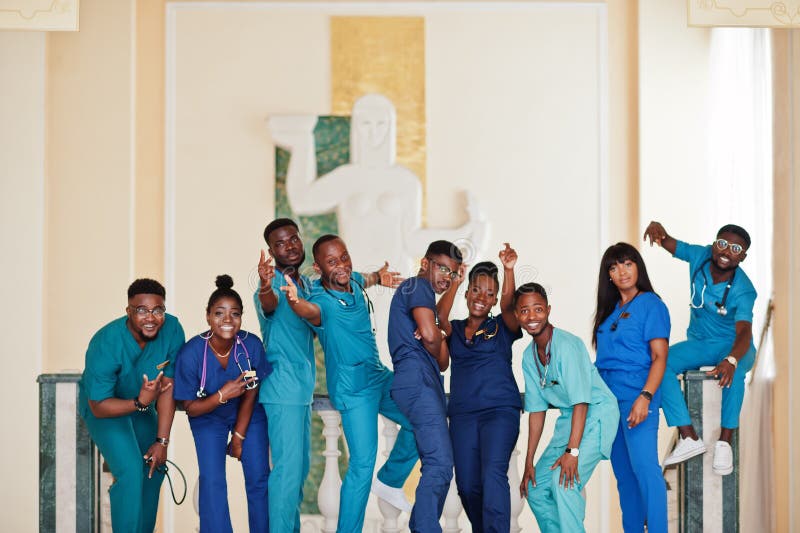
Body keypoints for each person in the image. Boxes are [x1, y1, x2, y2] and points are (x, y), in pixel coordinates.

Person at [280, 234, 418, 532]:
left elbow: (361, 278)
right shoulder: (319, 302)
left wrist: (378, 277)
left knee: (423, 420)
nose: (341, 265)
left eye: (344, 257)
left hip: (378, 375)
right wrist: (294, 302)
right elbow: (309, 311)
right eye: (332, 262)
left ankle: (391, 479)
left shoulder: (351, 280)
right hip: (353, 390)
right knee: (361, 465)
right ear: (318, 268)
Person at [643, 221, 757, 475]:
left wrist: (732, 360)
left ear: (743, 256)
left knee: (734, 374)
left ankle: (725, 441)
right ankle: (688, 436)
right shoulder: (700, 256)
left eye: (736, 248)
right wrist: (659, 232)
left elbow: (744, 332)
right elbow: (670, 243)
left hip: (736, 347)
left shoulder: (744, 289)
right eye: (723, 244)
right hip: (700, 343)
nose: (727, 252)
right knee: (661, 363)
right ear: (715, 243)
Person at [78, 279, 185, 532]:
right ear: (129, 311)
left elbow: (168, 388)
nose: (151, 317)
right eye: (141, 310)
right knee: (130, 472)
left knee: (153, 467)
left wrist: (162, 442)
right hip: (106, 410)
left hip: (143, 406)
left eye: (158, 310)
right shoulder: (106, 342)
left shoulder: (172, 329)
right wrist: (139, 401)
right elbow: (98, 406)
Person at [516, 282, 619, 533]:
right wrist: (529, 461)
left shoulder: (568, 346)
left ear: (548, 310)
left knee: (564, 483)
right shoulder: (529, 356)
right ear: (517, 315)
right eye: (525, 311)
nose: (532, 316)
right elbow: (537, 411)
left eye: (538, 309)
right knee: (535, 487)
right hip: (570, 420)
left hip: (596, 415)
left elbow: (581, 401)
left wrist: (572, 452)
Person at [174, 275, 271, 533]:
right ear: (207, 316)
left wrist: (238, 436)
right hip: (208, 417)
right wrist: (221, 395)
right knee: (213, 481)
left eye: (235, 314)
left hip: (248, 415)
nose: (227, 320)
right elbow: (190, 407)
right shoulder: (192, 353)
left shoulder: (251, 345)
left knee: (259, 478)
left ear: (241, 317)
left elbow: (251, 390)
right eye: (219, 313)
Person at [436, 245, 522, 533]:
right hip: (463, 416)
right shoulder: (456, 330)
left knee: (493, 476)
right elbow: (438, 319)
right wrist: (456, 280)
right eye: (476, 290)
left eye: (489, 293)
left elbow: (511, 307)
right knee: (467, 484)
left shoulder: (502, 326)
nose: (481, 297)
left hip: (499, 412)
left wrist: (509, 270)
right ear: (467, 292)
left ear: (495, 299)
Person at [592, 243, 670, 533]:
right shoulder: (610, 310)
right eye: (613, 267)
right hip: (609, 400)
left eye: (626, 263)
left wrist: (645, 397)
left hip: (638, 394)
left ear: (638, 266)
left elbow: (660, 357)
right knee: (624, 476)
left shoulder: (651, 304)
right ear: (608, 275)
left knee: (646, 470)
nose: (621, 271)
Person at [388, 239, 463, 533]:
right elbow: (434, 341)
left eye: (453, 273)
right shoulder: (417, 286)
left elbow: (439, 347)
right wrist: (435, 334)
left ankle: (423, 526)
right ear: (424, 263)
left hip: (422, 380)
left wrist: (436, 332)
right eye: (442, 268)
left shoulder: (421, 294)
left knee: (438, 463)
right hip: (417, 380)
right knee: (440, 463)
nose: (447, 276)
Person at [254, 218, 316, 533]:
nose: (289, 246)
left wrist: (374, 277)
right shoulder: (273, 284)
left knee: (299, 471)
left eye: (293, 239)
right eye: (280, 243)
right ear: (271, 251)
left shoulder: (305, 284)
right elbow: (269, 303)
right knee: (287, 473)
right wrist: (266, 283)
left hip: (300, 392)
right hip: (282, 390)